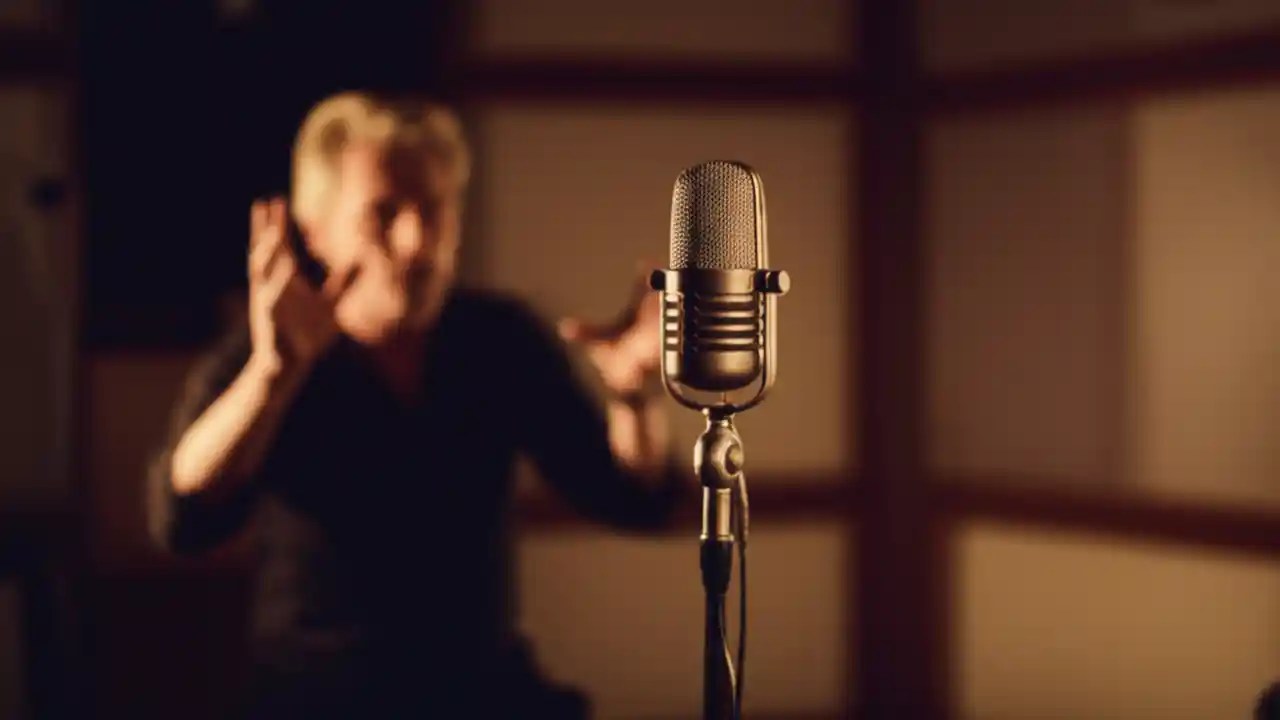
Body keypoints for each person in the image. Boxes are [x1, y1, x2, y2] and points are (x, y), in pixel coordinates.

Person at [145, 91, 686, 719]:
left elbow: (633, 497)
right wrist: (273, 374)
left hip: (483, 691)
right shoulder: (267, 357)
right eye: (384, 212)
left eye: (436, 210)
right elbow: (182, 514)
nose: (417, 242)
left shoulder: (498, 339)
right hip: (316, 697)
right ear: (314, 229)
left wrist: (634, 395)